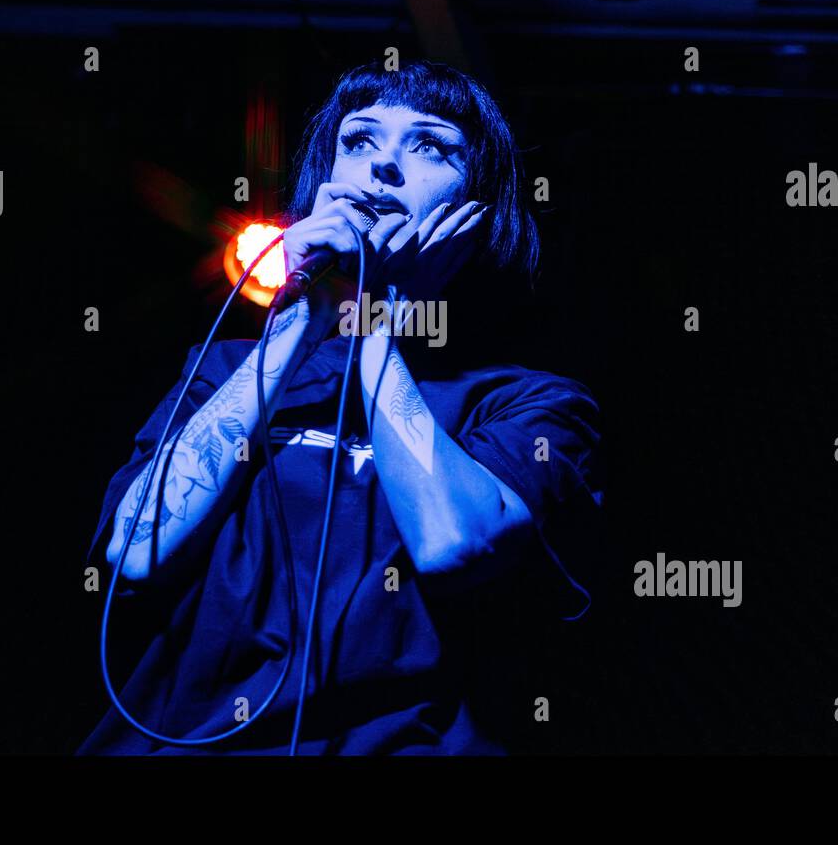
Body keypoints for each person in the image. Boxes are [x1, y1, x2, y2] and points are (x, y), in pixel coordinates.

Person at [78, 59, 603, 755]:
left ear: (481, 206)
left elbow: (452, 544)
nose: (382, 166)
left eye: (430, 145)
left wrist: (372, 319)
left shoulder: (529, 402)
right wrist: (304, 314)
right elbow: (137, 551)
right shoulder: (231, 368)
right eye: (359, 141)